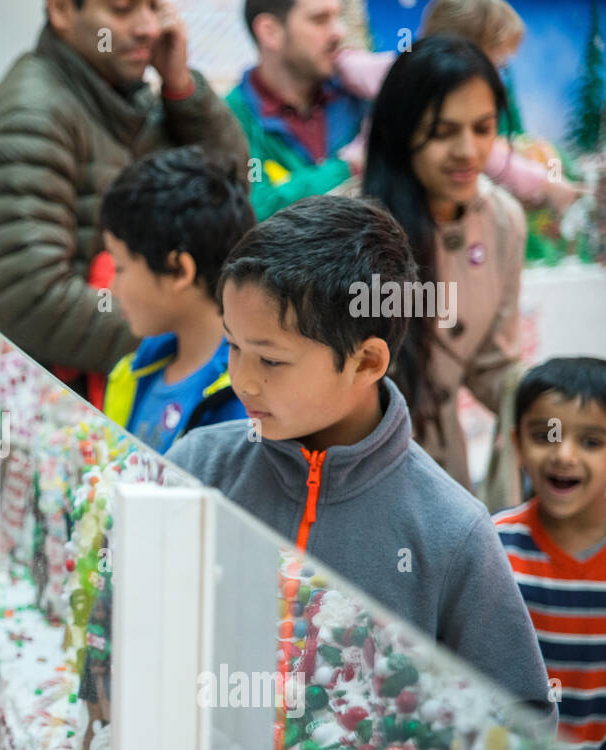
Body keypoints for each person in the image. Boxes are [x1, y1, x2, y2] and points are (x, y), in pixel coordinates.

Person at [167, 195, 553, 750]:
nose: (241, 377)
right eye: (232, 344)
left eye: (271, 358)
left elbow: (514, 730)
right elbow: (127, 637)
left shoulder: (449, 530)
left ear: (368, 361)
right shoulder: (198, 468)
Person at [0, 0, 249, 388]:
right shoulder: (30, 115)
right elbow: (33, 303)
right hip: (35, 406)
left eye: (155, 7)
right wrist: (190, 336)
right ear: (62, 11)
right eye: (122, 10)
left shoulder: (122, 95)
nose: (149, 28)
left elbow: (229, 199)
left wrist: (182, 88)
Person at [351, 35, 527, 491]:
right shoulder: (346, 229)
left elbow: (492, 366)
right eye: (443, 132)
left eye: (484, 128)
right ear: (400, 130)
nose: (468, 151)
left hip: (446, 481)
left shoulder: (502, 222)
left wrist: (552, 396)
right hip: (359, 473)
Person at [333, 0, 582, 214]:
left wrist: (338, 58)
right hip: (376, 183)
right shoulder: (433, 88)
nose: (496, 76)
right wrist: (546, 185)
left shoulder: (394, 68)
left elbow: (353, 68)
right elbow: (493, 159)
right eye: (496, 64)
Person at [99, 147, 255, 452]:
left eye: (120, 268)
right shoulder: (136, 371)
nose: (113, 289)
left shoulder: (245, 403)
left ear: (179, 270)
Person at [496, 358, 606, 750]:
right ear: (517, 444)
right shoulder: (493, 547)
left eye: (592, 442)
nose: (564, 455)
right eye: (545, 435)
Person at [226, 0, 368, 221]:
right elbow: (256, 211)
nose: (339, 32)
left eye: (338, 17)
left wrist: (388, 79)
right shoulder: (232, 118)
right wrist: (349, 166)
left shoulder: (356, 97)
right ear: (270, 31)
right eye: (320, 20)